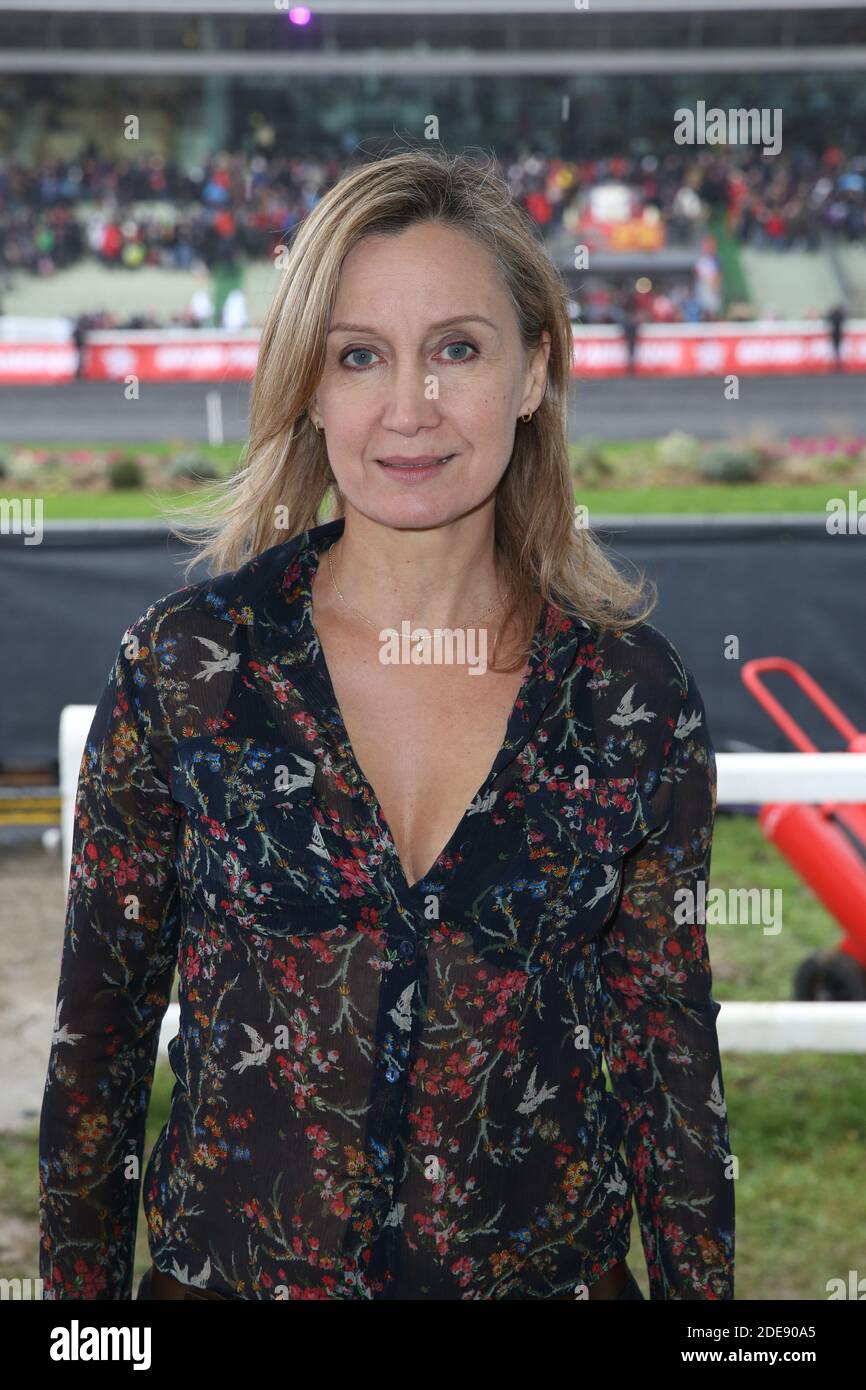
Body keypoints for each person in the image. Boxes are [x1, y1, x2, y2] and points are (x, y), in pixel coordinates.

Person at [39, 148, 734, 1302]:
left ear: (531, 374)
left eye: (456, 348)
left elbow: (671, 1071)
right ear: (310, 386)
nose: (408, 409)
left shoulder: (631, 697)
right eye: (360, 356)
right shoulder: (188, 669)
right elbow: (95, 1052)